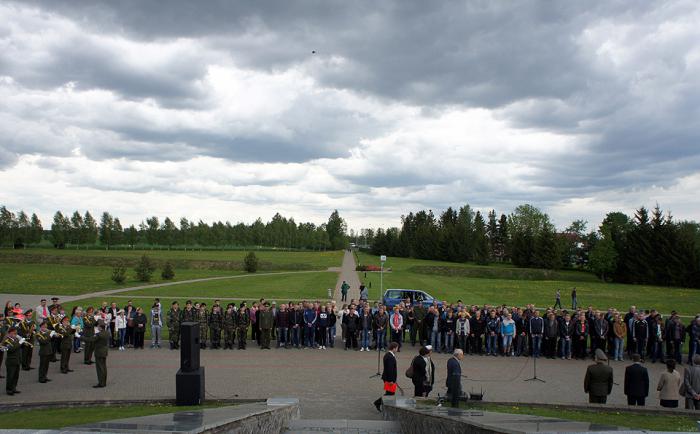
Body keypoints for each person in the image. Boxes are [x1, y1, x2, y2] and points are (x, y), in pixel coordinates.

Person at [81, 320, 109, 388]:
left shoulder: (99, 334)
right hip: (104, 351)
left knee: (99, 368)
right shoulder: (107, 333)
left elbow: (90, 340)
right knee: (104, 367)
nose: (97, 327)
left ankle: (101, 383)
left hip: (99, 352)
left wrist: (80, 337)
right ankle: (104, 382)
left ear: (100, 327)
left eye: (98, 326)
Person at [374, 341, 399, 412]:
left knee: (390, 393)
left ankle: (381, 404)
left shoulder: (388, 355)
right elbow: (390, 369)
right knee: (390, 393)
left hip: (387, 378)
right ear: (394, 348)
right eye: (397, 348)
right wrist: (391, 380)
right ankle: (378, 403)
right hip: (389, 379)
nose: (397, 350)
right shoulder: (390, 357)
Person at [0, 327, 25, 395]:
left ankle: (14, 388)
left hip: (17, 360)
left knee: (16, 376)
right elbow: (11, 349)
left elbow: (20, 347)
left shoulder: (16, 339)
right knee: (10, 376)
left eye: (16, 333)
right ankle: (9, 390)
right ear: (10, 333)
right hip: (11, 361)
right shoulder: (7, 341)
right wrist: (20, 343)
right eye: (14, 333)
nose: (15, 334)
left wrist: (23, 342)